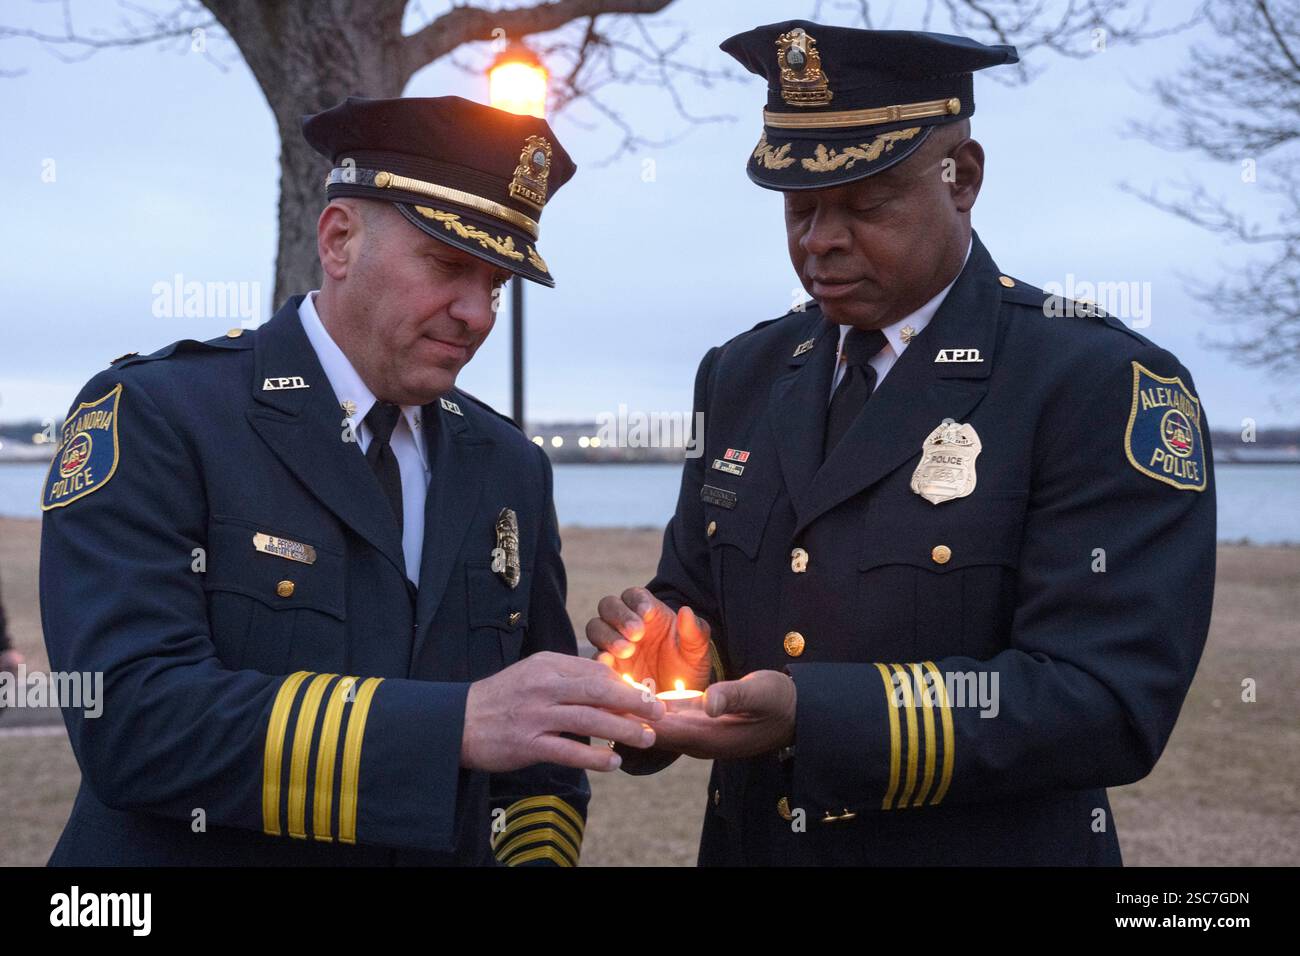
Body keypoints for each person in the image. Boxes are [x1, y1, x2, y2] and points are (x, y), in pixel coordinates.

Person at [587, 21, 1216, 866]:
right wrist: (665, 663)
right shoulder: (741, 372)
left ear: (965, 179)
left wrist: (816, 715)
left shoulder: (1093, 382)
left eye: (865, 204)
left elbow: (1108, 699)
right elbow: (699, 607)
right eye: (800, 207)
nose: (820, 241)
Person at [39, 95, 661, 866]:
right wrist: (454, 724)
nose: (476, 314)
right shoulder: (160, 416)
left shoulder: (509, 465)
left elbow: (536, 763)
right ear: (338, 240)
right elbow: (129, 722)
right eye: (449, 265)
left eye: (497, 285)